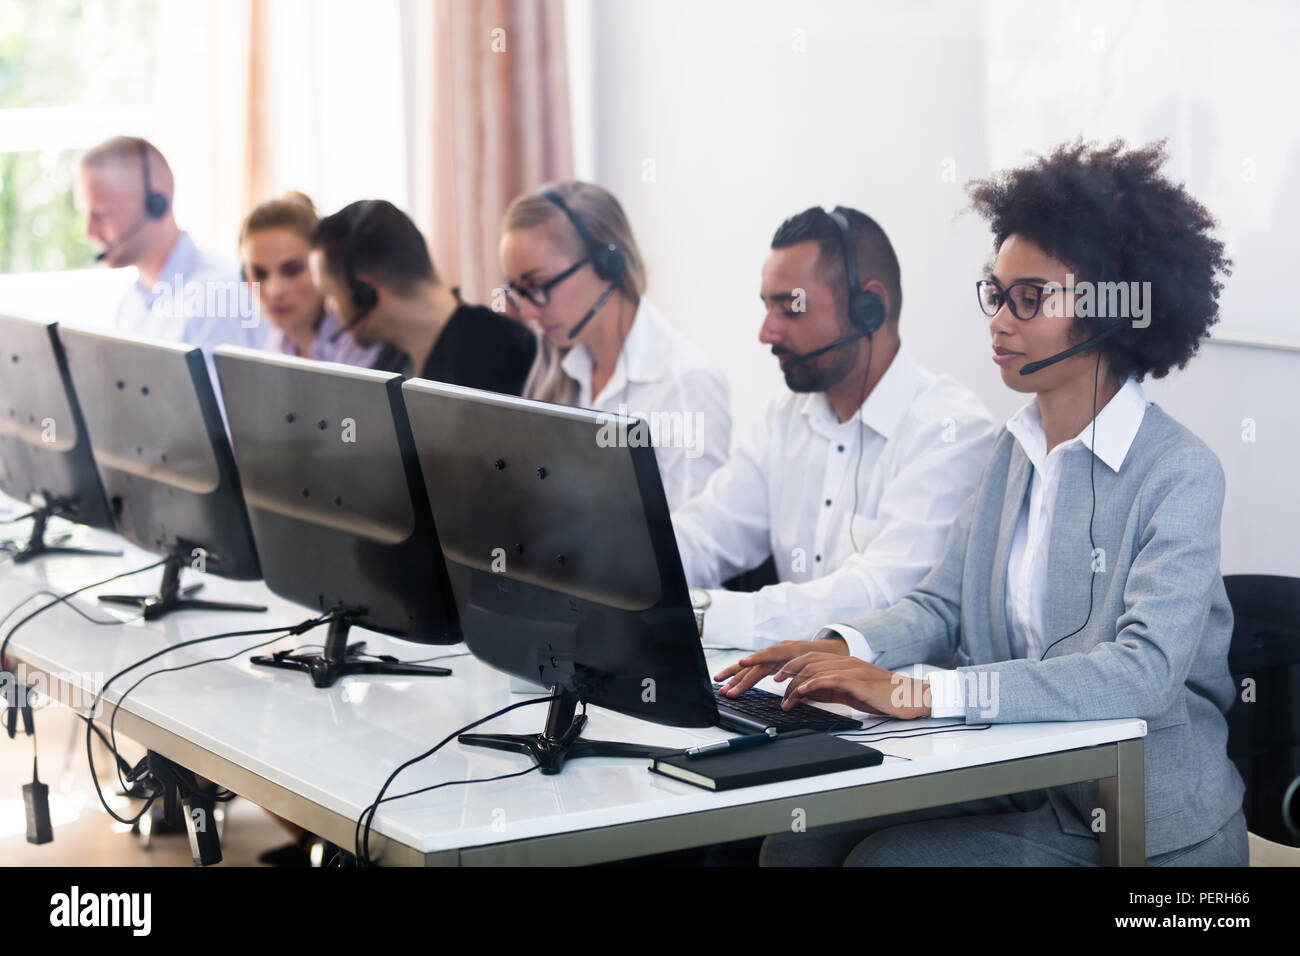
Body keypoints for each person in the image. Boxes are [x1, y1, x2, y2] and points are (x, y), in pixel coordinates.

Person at [726, 140, 1247, 867]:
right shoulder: (1013, 451)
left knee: (890, 865)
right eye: (995, 294)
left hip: (1138, 817)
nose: (998, 321)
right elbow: (943, 606)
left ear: (1107, 314)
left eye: (1028, 299)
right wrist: (847, 648)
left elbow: (1143, 673)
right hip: (1022, 774)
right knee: (797, 841)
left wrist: (920, 692)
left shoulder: (1179, 472)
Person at [672, 207, 995, 648]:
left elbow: (879, 599)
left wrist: (699, 614)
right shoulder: (785, 419)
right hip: (792, 696)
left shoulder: (950, 431)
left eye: (790, 308)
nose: (766, 333)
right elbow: (706, 533)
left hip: (896, 711)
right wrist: (612, 571)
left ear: (869, 308)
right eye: (767, 307)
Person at [499, 181, 730, 509]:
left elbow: (692, 544)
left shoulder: (687, 386)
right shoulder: (557, 364)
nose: (528, 311)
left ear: (608, 265)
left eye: (537, 286)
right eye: (518, 290)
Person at [309, 200, 536, 393]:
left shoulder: (506, 355)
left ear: (365, 294)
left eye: (330, 294)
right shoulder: (388, 360)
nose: (329, 308)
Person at [75, 136, 264, 353]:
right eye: (86, 215)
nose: (90, 232)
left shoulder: (221, 296)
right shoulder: (131, 303)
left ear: (157, 204)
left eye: (101, 214)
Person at [239, 192, 382, 367]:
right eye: (259, 274)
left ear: (322, 269)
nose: (274, 291)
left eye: (292, 270)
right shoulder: (278, 343)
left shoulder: (359, 344)